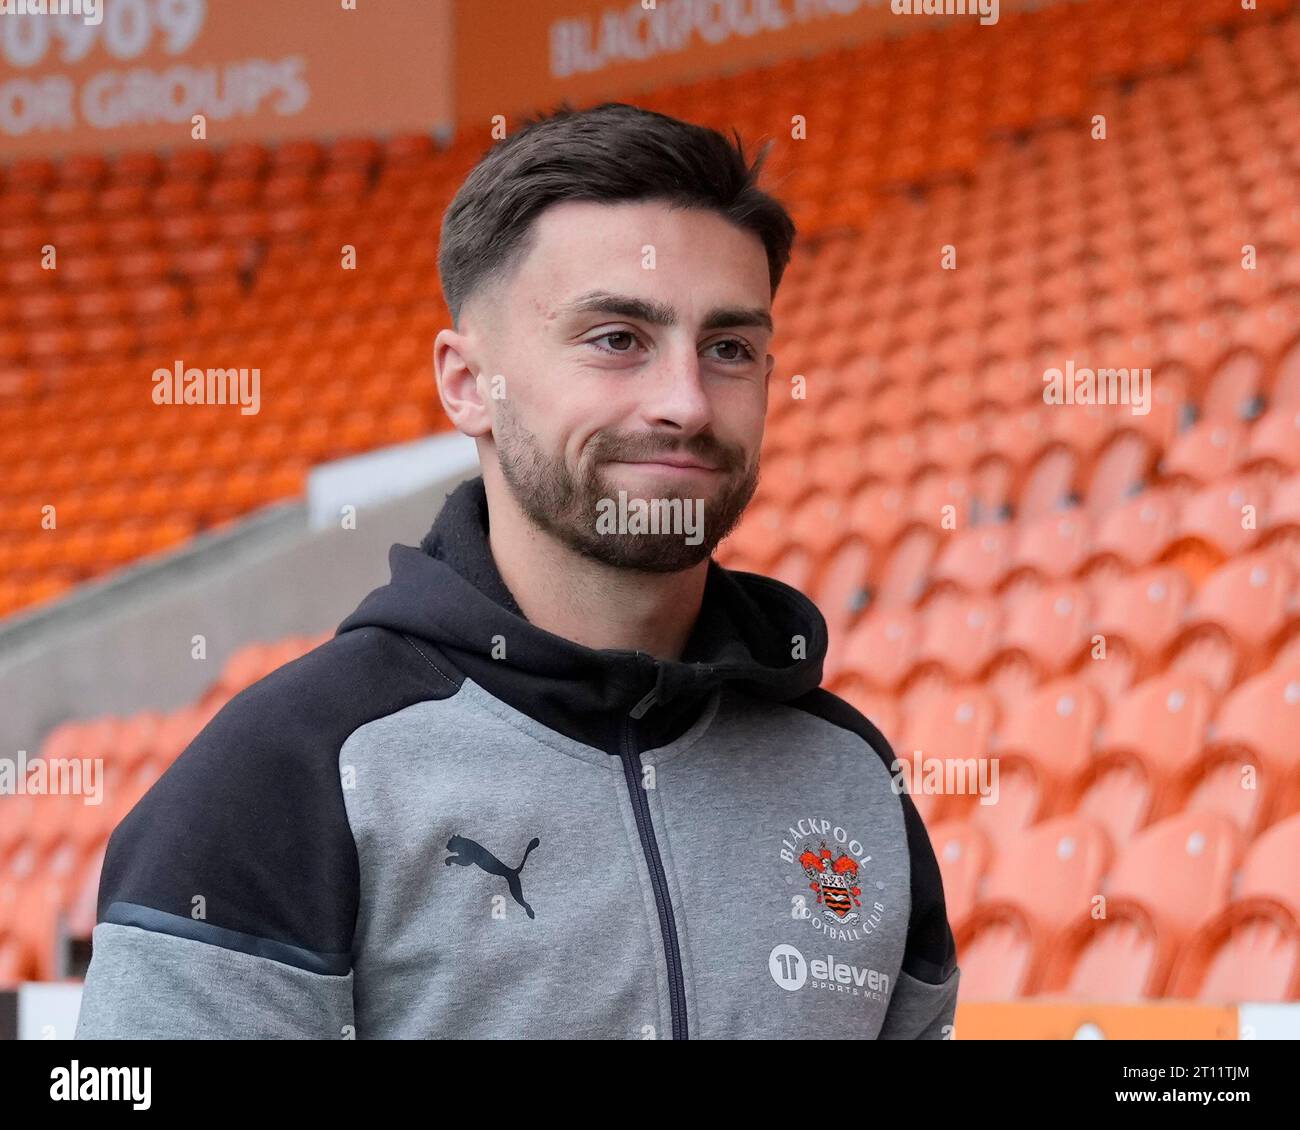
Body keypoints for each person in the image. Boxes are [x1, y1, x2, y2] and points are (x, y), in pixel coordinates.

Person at [76, 102, 959, 1039]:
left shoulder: (849, 777)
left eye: (730, 349)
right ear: (467, 385)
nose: (686, 402)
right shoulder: (285, 775)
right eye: (618, 338)